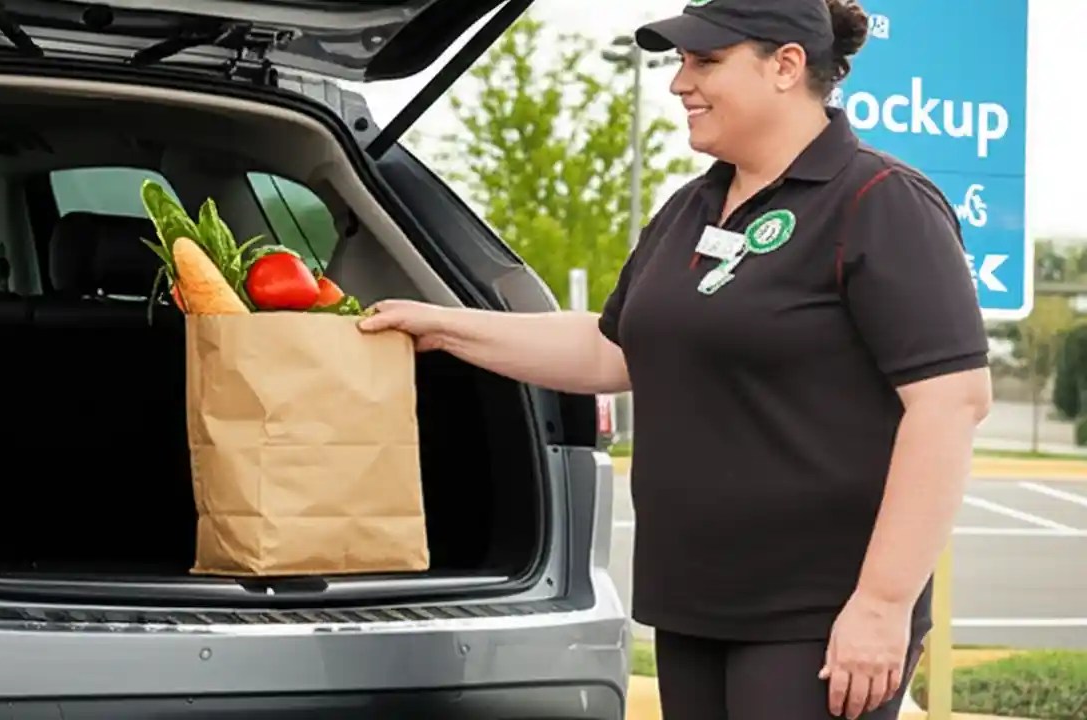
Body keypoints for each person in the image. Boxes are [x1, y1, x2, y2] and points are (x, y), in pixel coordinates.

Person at [359, 0, 992, 717]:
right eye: (680, 62)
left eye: (705, 61)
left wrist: (881, 605)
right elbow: (610, 347)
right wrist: (441, 327)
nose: (678, 83)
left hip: (815, 614)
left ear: (786, 65)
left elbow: (949, 405)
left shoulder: (879, 202)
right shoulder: (694, 207)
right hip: (694, 605)